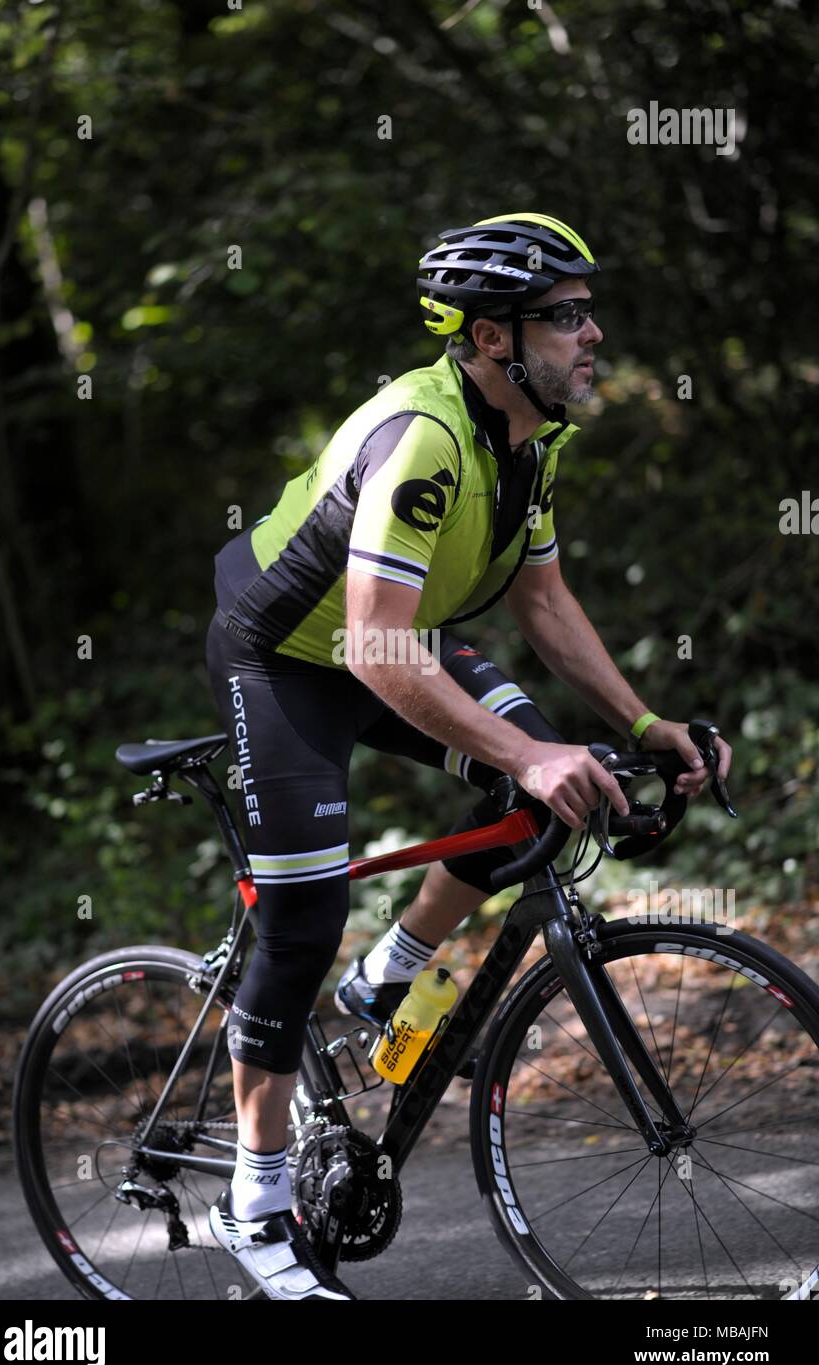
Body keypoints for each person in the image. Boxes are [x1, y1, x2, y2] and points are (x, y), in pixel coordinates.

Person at [206, 212, 733, 1299]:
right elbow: (368, 644)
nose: (592, 335)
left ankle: (384, 982)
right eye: (565, 316)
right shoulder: (425, 440)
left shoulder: (529, 435)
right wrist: (525, 756)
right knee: (298, 916)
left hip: (399, 636)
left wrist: (639, 727)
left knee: (556, 783)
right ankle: (253, 1201)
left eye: (590, 312)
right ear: (493, 338)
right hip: (291, 654)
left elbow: (541, 598)